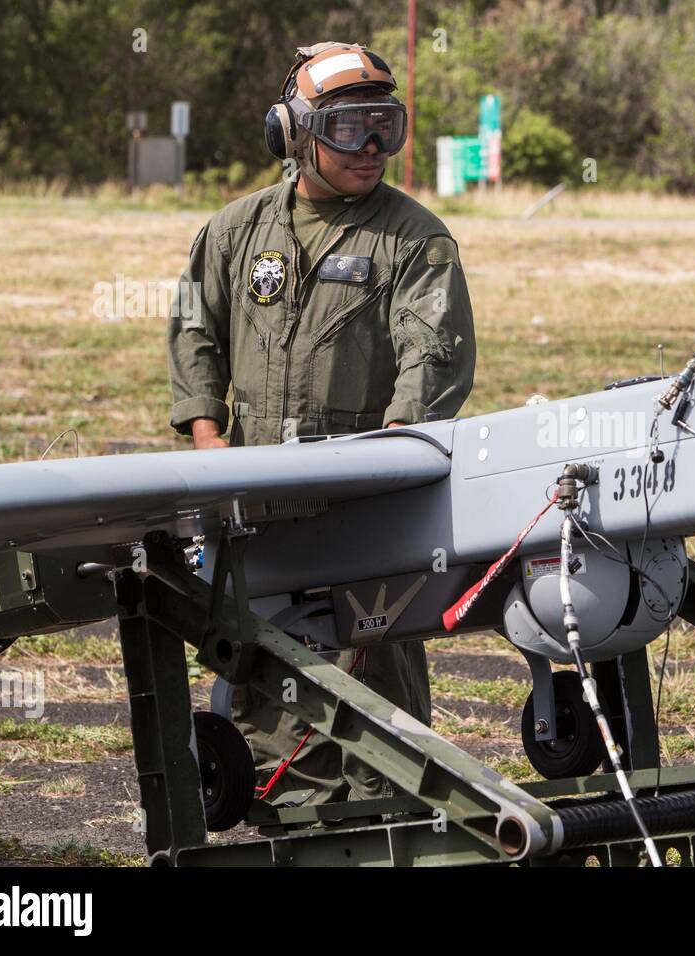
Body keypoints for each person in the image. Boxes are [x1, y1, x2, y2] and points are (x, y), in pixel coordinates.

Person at [167, 41, 475, 804]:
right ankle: (281, 810)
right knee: (261, 656)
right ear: (294, 132)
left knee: (373, 663)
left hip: (363, 499)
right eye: (349, 128)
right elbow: (192, 329)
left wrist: (386, 467)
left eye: (385, 126)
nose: (372, 148)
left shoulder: (416, 240)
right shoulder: (235, 231)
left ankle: (384, 814)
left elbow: (431, 360)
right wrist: (210, 448)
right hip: (254, 495)